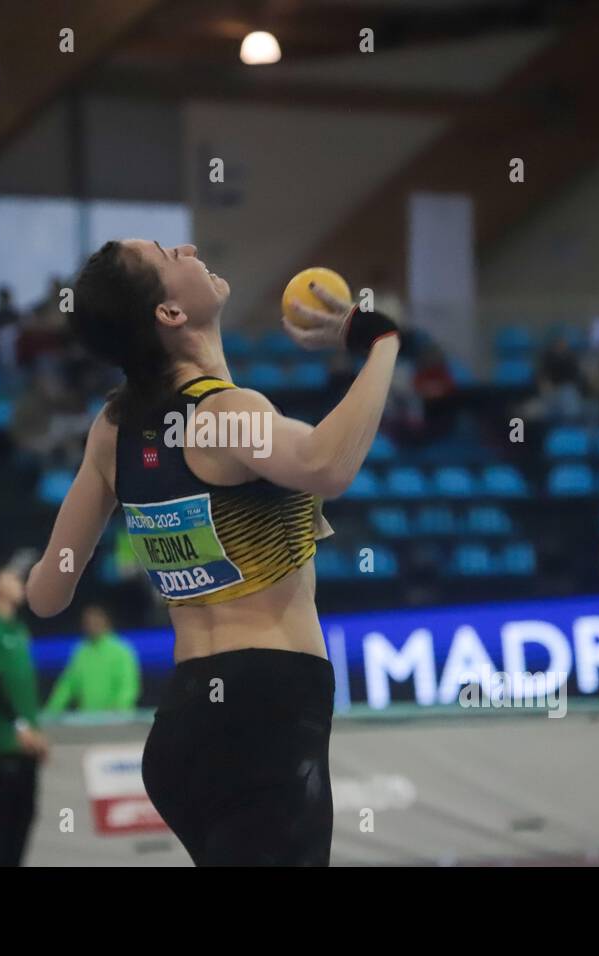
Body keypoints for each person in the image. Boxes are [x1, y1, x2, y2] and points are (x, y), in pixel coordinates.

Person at [25, 239, 400, 865]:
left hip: (183, 728)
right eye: (171, 254)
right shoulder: (223, 414)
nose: (190, 246)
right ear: (170, 314)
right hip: (264, 715)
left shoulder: (112, 432)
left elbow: (47, 595)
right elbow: (326, 464)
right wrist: (383, 344)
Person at [0, 564, 48, 866]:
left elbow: (22, 688)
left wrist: (35, 731)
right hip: (1, 745)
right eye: (14, 579)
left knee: (24, 817)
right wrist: (19, 725)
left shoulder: (18, 630)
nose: (21, 584)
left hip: (27, 742)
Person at [44, 605, 141, 716]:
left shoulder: (122, 650)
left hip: (117, 722)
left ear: (106, 621)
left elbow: (128, 687)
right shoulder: (81, 652)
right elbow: (66, 686)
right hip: (87, 721)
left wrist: (117, 712)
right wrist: (50, 713)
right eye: (88, 621)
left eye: (96, 619)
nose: (92, 624)